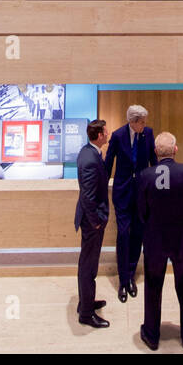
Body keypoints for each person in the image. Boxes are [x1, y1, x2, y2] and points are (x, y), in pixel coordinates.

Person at [136, 132, 183, 350]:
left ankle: (152, 334)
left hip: (155, 241)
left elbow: (141, 212)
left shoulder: (145, 175)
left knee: (153, 286)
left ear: (155, 152)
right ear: (176, 150)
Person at [104, 104, 156, 302]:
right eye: (141, 122)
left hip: (142, 193)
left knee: (137, 235)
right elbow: (109, 163)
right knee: (123, 234)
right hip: (123, 193)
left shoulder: (148, 134)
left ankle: (132, 275)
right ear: (133, 122)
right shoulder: (118, 136)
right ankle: (123, 281)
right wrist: (100, 186)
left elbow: (153, 161)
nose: (145, 125)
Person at [74, 119, 111, 329]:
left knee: (89, 264)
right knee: (88, 266)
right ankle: (86, 313)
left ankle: (86, 302)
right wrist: (97, 221)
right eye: (106, 132)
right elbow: (88, 196)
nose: (108, 134)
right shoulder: (90, 159)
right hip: (91, 222)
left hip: (91, 220)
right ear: (99, 135)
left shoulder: (88, 152)